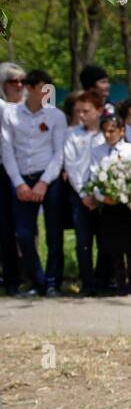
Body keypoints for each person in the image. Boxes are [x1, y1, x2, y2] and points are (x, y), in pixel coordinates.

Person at [2, 68, 66, 296]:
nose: (45, 92)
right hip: (21, 177)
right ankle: (37, 280)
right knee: (24, 234)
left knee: (53, 233)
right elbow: (7, 150)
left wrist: (44, 183)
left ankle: (52, 282)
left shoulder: (56, 116)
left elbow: (59, 153)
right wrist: (19, 183)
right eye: (41, 88)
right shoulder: (10, 115)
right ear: (29, 88)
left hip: (48, 177)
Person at [87, 112, 131, 295]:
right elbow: (94, 177)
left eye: (112, 131)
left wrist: (127, 193)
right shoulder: (97, 151)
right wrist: (103, 197)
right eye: (105, 131)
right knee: (112, 245)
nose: (109, 135)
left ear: (121, 131)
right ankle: (119, 283)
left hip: (127, 203)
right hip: (109, 203)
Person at [62, 91, 105, 295]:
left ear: (99, 111)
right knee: (83, 241)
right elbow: (70, 165)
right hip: (80, 194)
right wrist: (83, 193)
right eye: (78, 111)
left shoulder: (107, 133)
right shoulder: (71, 134)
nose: (81, 115)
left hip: (104, 195)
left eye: (86, 111)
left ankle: (103, 279)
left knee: (105, 240)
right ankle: (88, 283)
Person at [0, 61, 23, 295]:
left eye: (21, 81)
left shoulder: (27, 109)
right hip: (4, 171)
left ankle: (23, 273)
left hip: (25, 171)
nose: (18, 85)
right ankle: (11, 278)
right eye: (12, 81)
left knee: (25, 229)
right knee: (6, 226)